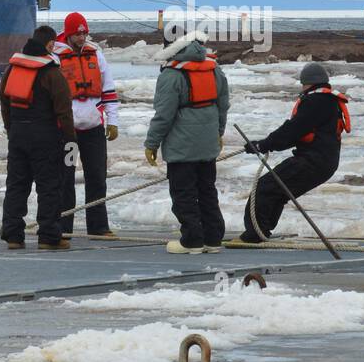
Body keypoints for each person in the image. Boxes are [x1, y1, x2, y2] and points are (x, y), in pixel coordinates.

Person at [236, 62, 351, 245]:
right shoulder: (328, 101)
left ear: (308, 83)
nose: (302, 87)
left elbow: (292, 130)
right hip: (324, 162)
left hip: (313, 161)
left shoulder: (315, 101)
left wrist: (263, 144)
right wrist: (266, 144)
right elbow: (295, 131)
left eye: (303, 83)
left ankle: (254, 234)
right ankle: (262, 231)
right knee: (277, 191)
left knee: (264, 187)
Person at [144, 22, 229, 254]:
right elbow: (223, 104)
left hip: (182, 146)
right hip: (207, 142)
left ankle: (191, 240)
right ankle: (213, 238)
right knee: (207, 190)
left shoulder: (171, 74)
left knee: (184, 193)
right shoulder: (213, 68)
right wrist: (219, 133)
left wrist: (151, 144)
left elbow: (164, 115)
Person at [0, 26, 76, 251]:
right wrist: (70, 140)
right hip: (45, 136)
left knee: (16, 185)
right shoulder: (52, 73)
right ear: (50, 45)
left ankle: (13, 235)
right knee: (49, 186)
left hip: (17, 135)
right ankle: (49, 237)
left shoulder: (11, 70)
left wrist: (11, 130)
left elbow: (5, 104)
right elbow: (64, 111)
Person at [52, 11, 120, 240]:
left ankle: (99, 226)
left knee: (97, 177)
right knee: (64, 178)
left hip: (93, 130)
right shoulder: (55, 57)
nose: (82, 37)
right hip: (66, 132)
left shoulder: (96, 55)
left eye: (84, 33)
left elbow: (108, 89)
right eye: (77, 33)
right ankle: (64, 227)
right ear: (69, 33)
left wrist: (113, 122)